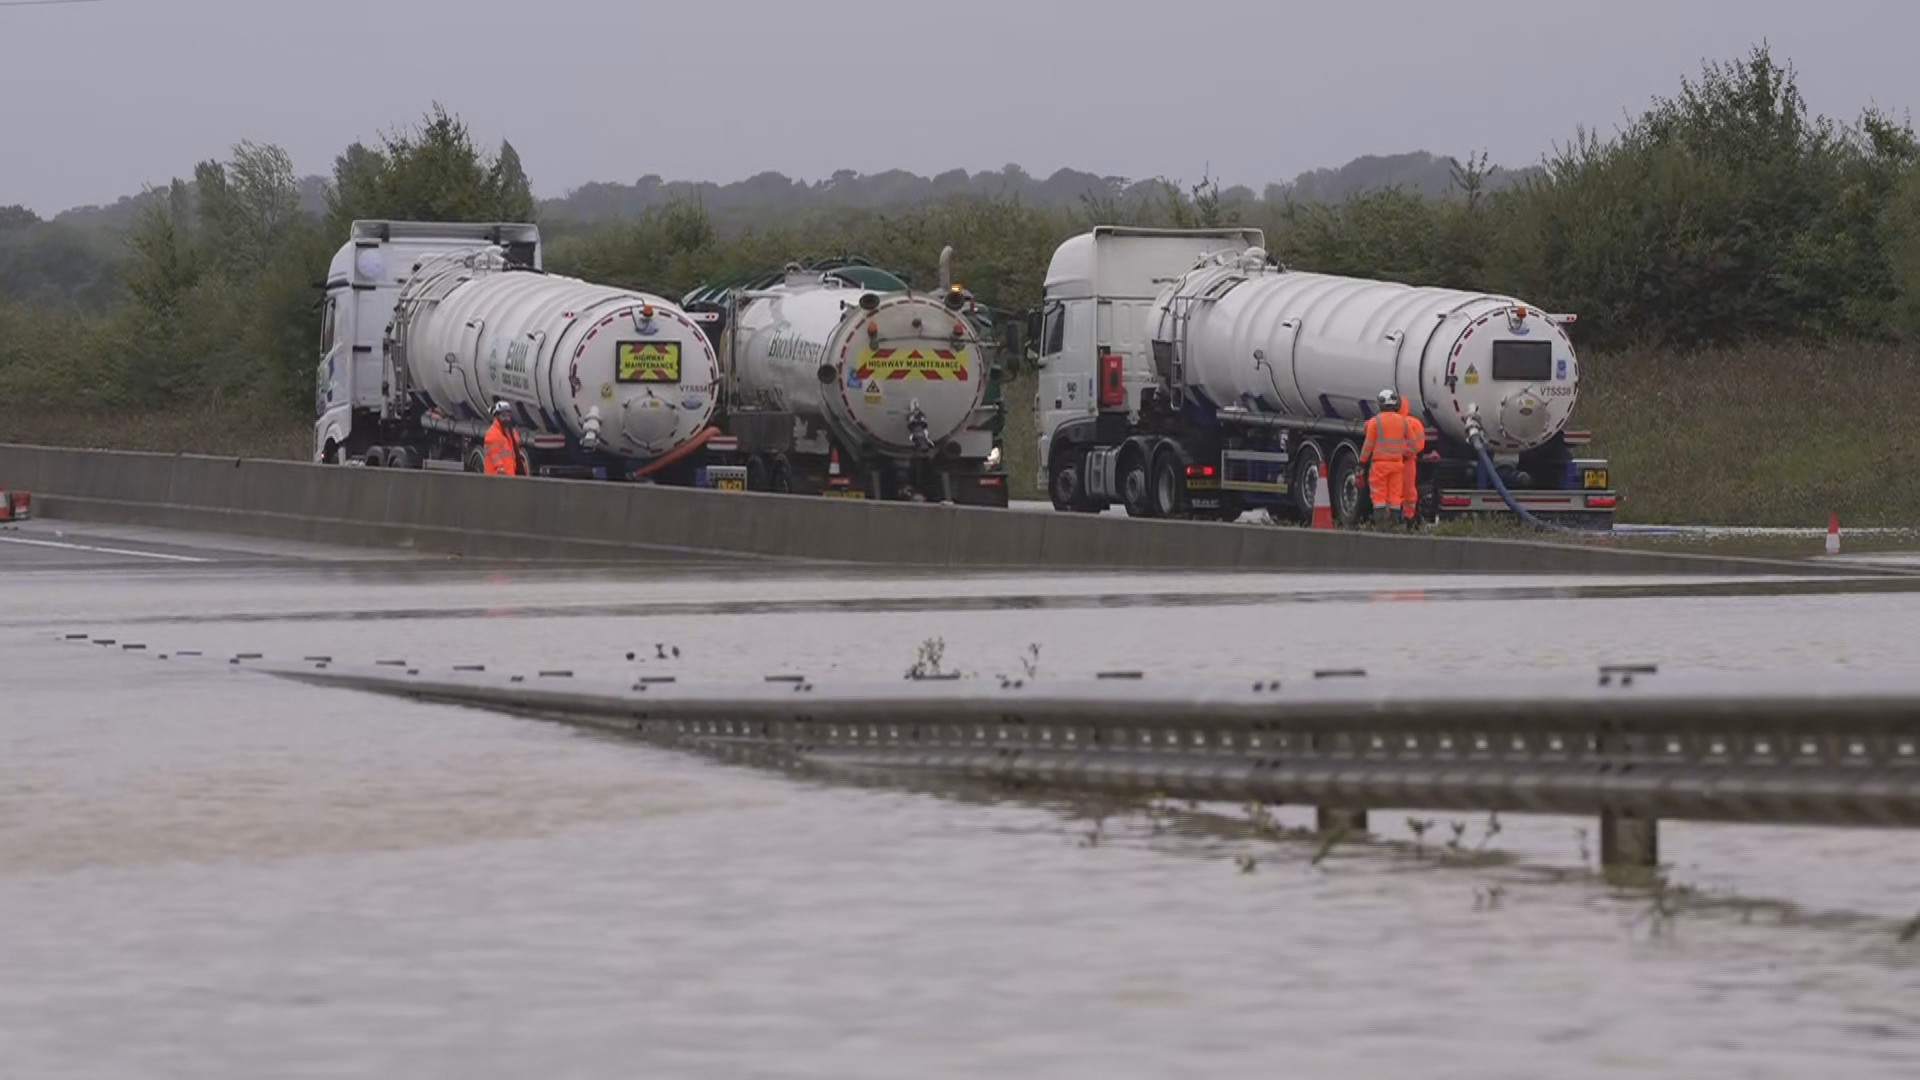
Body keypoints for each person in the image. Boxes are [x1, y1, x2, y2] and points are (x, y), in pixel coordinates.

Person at [1357, 389, 1409, 528]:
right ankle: (1395, 524)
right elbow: (1408, 442)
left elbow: (1368, 444)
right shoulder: (1403, 422)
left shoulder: (1375, 422)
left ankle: (1381, 524)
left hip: (1380, 465)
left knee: (1379, 496)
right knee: (1395, 496)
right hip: (1397, 464)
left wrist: (1362, 462)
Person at [1400, 396, 1427, 530]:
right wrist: (1407, 453)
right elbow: (1419, 445)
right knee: (1409, 491)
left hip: (1388, 461)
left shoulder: (1381, 421)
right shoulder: (1414, 423)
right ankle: (1408, 518)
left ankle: (1390, 518)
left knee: (1390, 491)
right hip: (1407, 461)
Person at [483, 400, 523, 476]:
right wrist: (500, 468)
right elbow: (494, 454)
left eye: (508, 416)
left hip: (509, 476)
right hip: (496, 477)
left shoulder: (510, 433)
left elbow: (515, 452)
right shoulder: (492, 433)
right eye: (504, 416)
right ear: (497, 416)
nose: (507, 419)